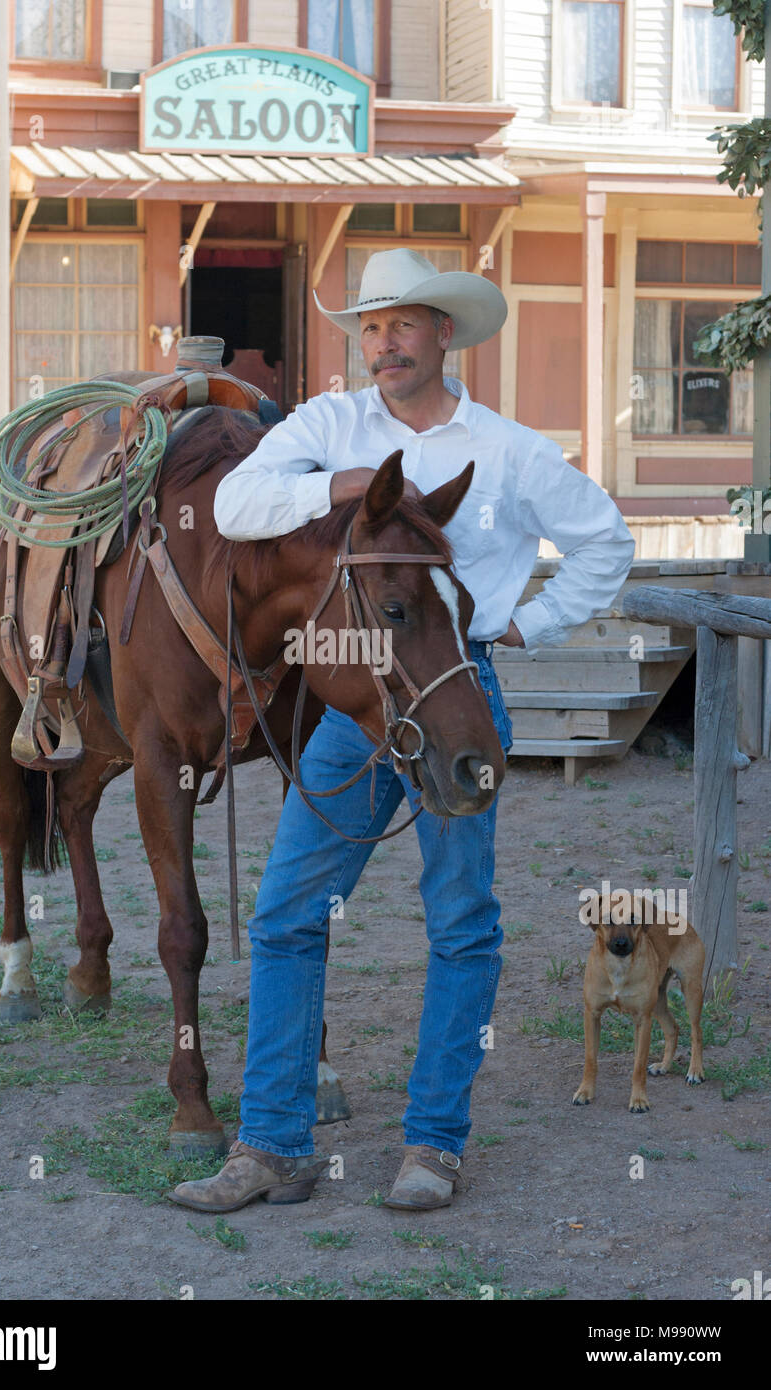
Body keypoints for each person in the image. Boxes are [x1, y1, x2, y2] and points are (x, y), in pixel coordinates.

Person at [168, 247, 636, 1214]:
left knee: (461, 922)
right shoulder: (330, 424)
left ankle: (433, 1145)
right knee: (289, 913)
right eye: (371, 328)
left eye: (404, 325)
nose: (384, 343)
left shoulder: (507, 450)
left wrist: (529, 622)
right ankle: (274, 1146)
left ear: (443, 334)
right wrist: (337, 487)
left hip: (458, 695)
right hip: (356, 707)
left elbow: (606, 540)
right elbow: (232, 503)